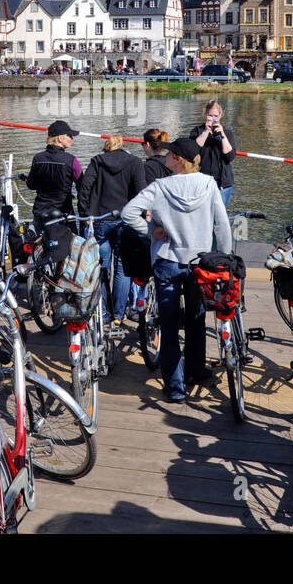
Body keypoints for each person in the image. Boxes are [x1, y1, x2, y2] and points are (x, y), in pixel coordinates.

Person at [122, 139, 231, 402]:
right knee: (196, 318)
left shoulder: (160, 187)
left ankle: (174, 386)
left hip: (167, 261)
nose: (165, 157)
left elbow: (128, 213)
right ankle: (195, 370)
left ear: (178, 160)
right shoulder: (208, 184)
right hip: (200, 263)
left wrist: (151, 230)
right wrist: (225, 261)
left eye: (169, 154)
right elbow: (221, 226)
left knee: (169, 325)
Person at [77, 135, 146, 324]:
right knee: (123, 268)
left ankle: (104, 313)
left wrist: (84, 214)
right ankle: (118, 314)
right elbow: (142, 192)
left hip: (100, 219)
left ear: (107, 148)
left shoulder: (97, 162)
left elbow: (85, 188)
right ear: (123, 147)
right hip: (125, 220)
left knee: (102, 266)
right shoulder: (135, 162)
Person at [27, 120, 83, 250]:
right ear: (60, 138)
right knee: (71, 249)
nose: (72, 138)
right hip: (62, 213)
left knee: (44, 249)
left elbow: (30, 184)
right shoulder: (71, 160)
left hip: (40, 212)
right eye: (69, 135)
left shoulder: (38, 158)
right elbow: (82, 185)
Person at [188, 100, 236, 205]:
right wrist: (205, 132)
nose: (213, 119)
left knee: (219, 217)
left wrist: (222, 135)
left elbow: (230, 156)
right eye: (210, 115)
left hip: (222, 184)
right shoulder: (197, 131)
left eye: (216, 116)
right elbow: (192, 152)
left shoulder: (227, 133)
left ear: (220, 116)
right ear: (206, 114)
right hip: (201, 183)